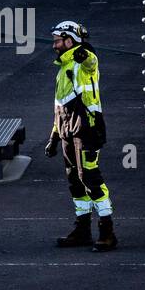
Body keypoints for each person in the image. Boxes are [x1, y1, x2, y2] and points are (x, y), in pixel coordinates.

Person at [45, 20, 117, 251]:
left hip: (88, 130)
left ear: (70, 40)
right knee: (74, 181)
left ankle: (107, 232)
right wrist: (54, 136)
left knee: (91, 178)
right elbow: (59, 106)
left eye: (58, 41)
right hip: (68, 131)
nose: (54, 45)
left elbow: (91, 61)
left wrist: (84, 52)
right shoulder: (61, 70)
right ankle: (82, 230)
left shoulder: (84, 61)